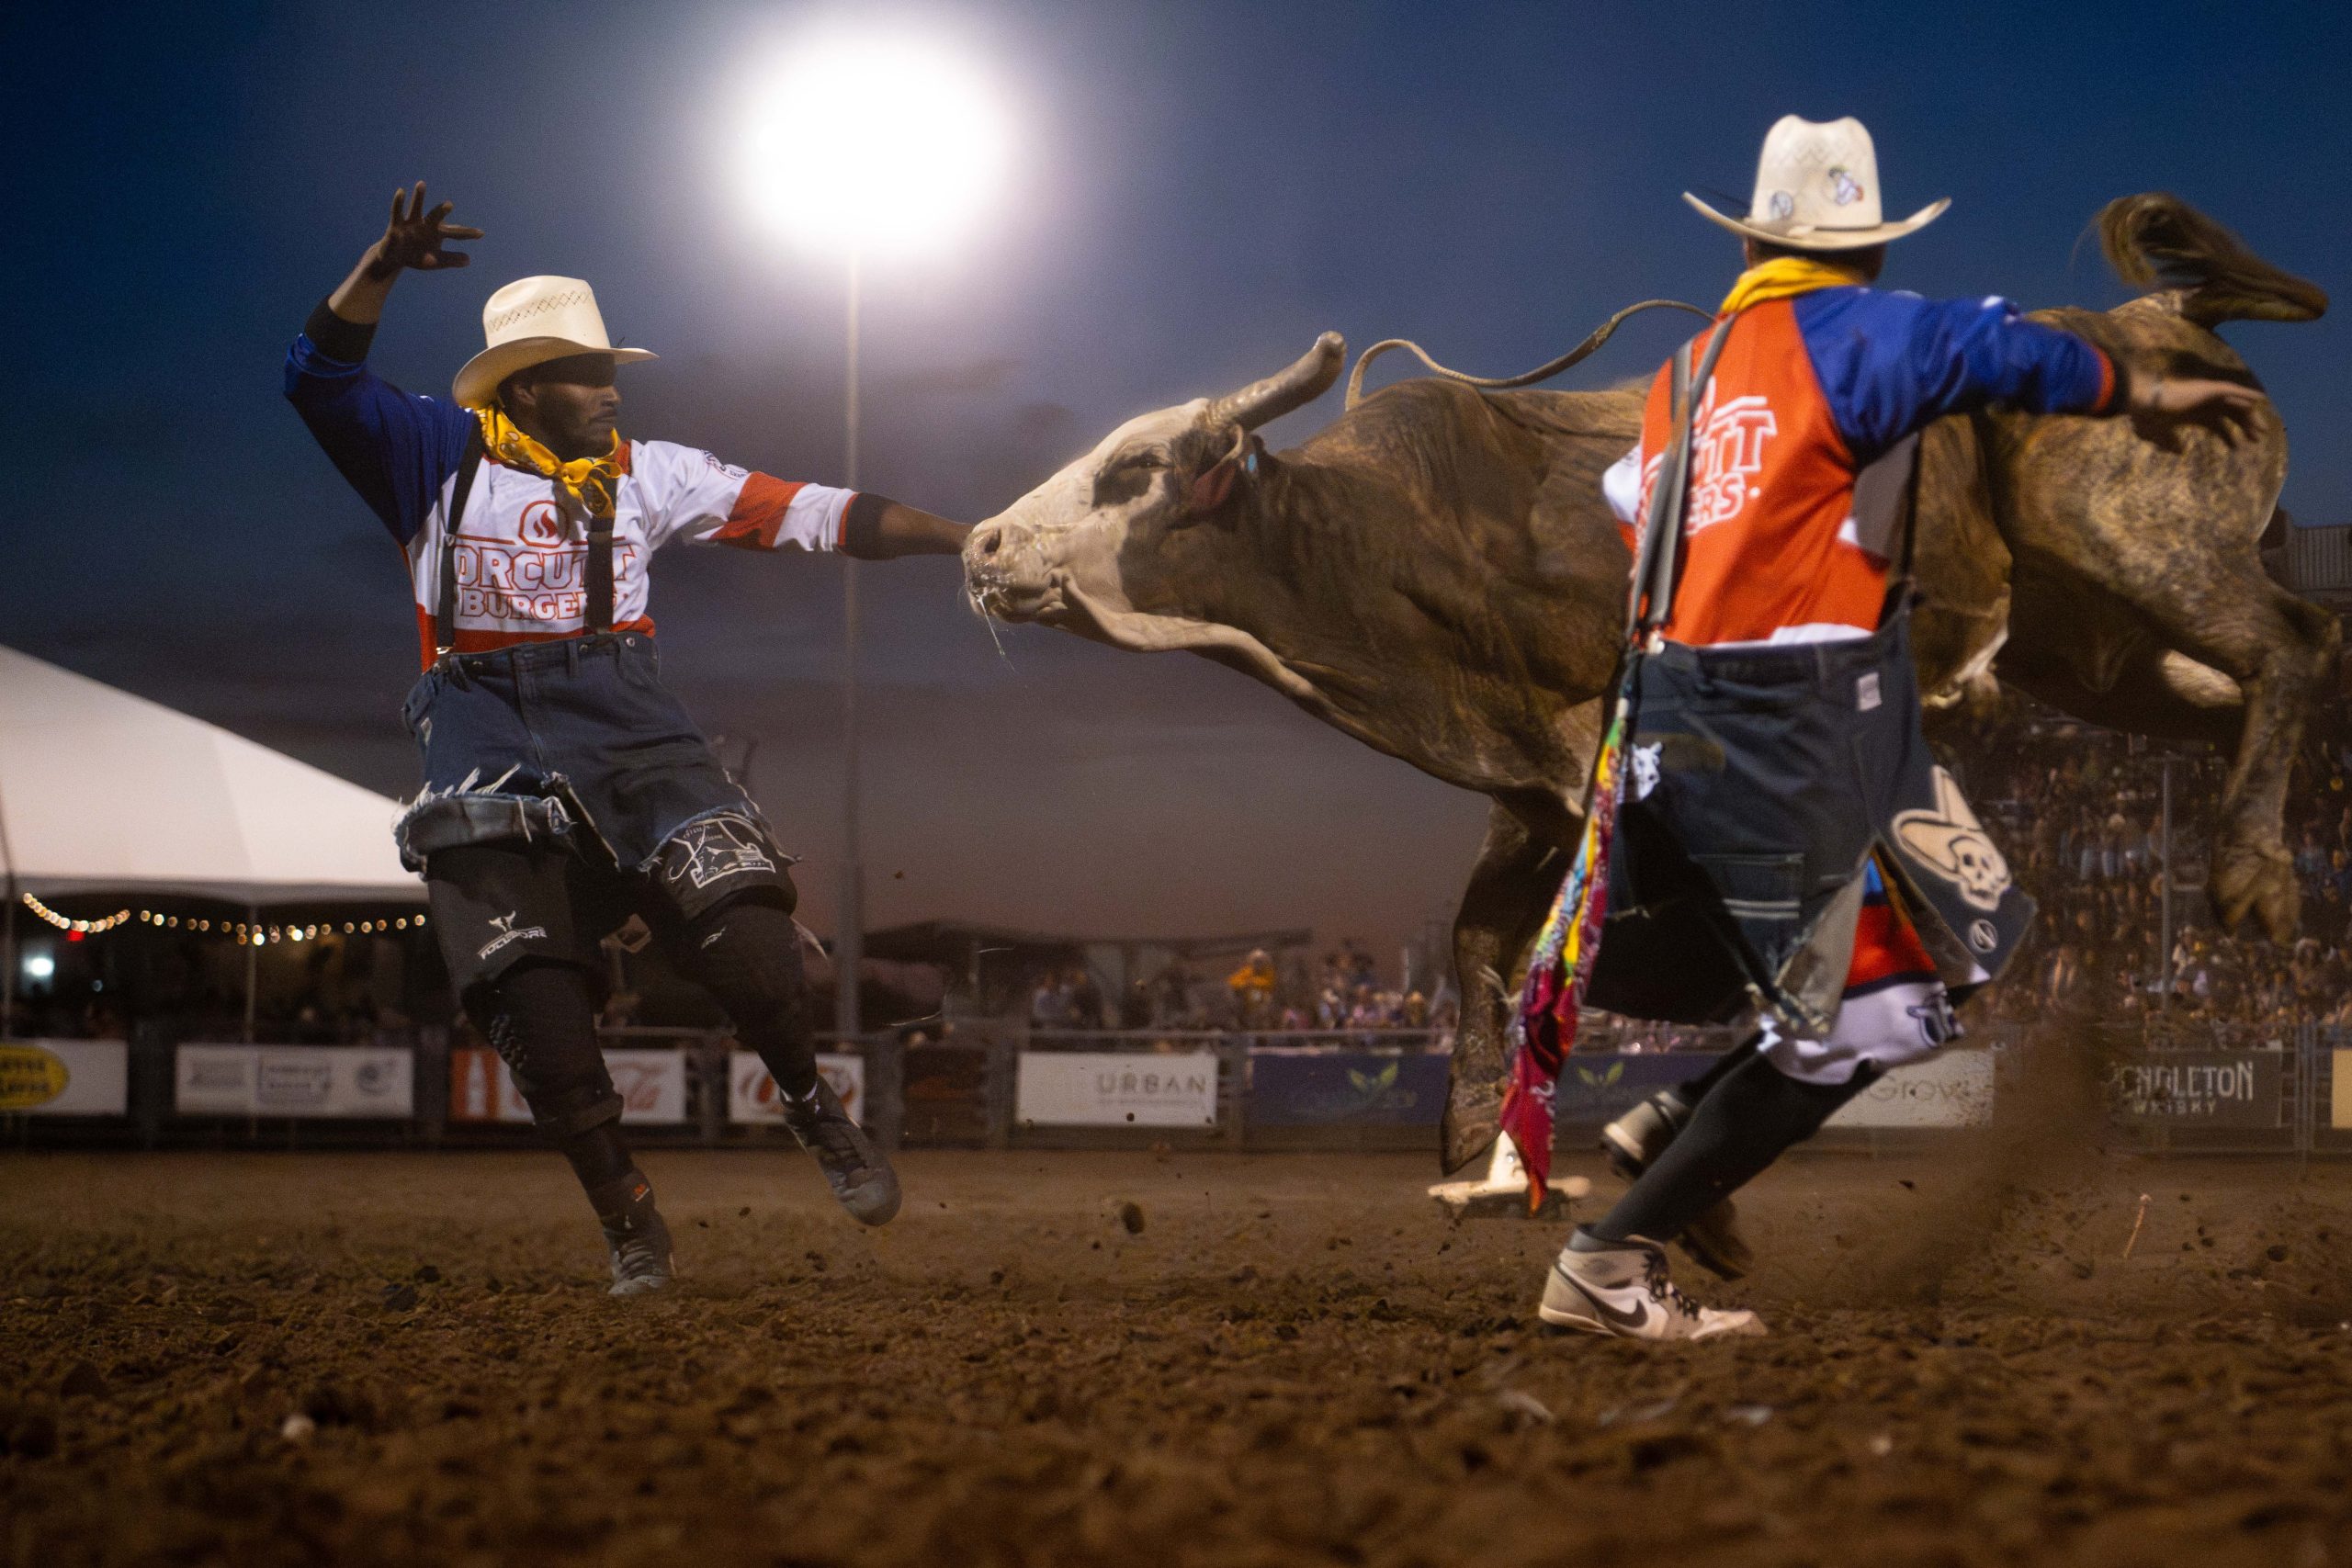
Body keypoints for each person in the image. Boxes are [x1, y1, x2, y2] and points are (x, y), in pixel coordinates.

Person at [1522, 118, 2262, 1341]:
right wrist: (2146, 382)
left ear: (1758, 237)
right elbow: (1998, 347)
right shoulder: (1865, 331)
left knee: (1970, 934)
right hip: (1792, 727)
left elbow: (1626, 500)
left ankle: (1678, 1121)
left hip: (1766, 713)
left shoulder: (1684, 376)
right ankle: (1607, 1259)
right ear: (1861, 249)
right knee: (1867, 1019)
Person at [285, 185, 969, 1294]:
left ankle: (811, 1103)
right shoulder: (428, 454)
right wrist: (382, 267)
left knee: (753, 944)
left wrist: (969, 539)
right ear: (525, 388)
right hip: (481, 737)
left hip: (630, 726)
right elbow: (314, 380)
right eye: (588, 376)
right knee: (531, 1007)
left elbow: (816, 510)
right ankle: (628, 1218)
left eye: (610, 374)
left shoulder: (653, 474)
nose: (610, 393)